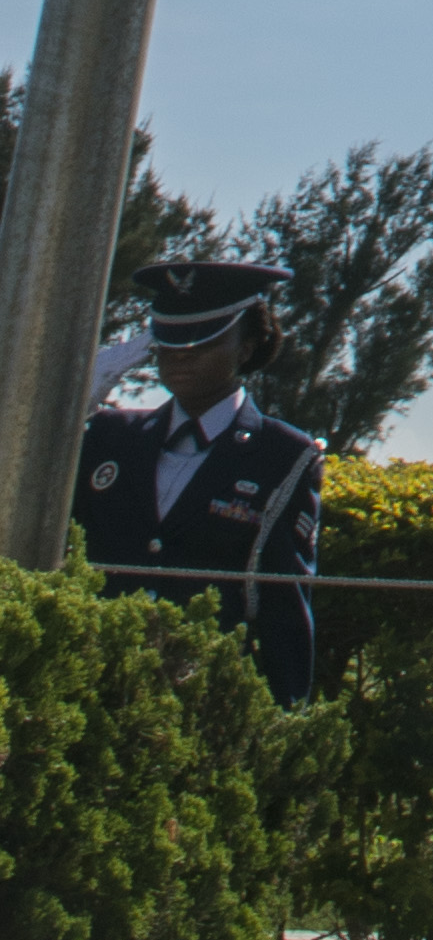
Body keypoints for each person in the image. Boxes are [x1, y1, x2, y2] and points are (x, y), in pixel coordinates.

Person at [75, 259, 321, 705]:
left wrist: (285, 715)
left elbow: (282, 602)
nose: (181, 355)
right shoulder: (109, 436)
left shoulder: (281, 455)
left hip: (200, 697)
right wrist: (72, 401)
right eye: (169, 342)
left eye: (204, 340)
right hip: (91, 685)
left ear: (246, 347)